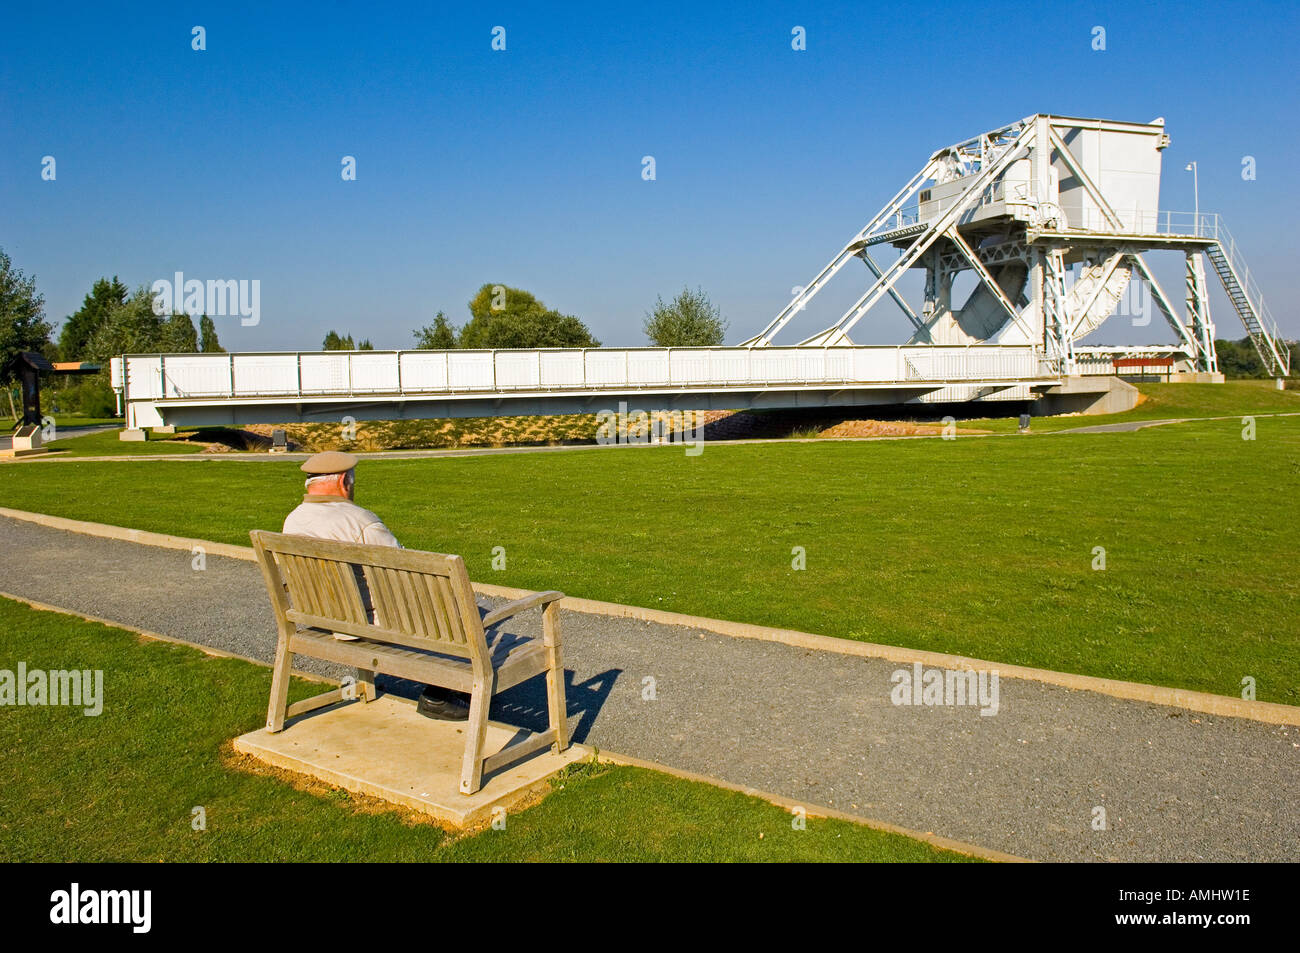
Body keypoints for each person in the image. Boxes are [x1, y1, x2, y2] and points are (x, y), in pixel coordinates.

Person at [282, 450, 470, 721]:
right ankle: (441, 695)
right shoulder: (359, 521)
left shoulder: (293, 520)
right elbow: (406, 569)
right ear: (344, 481)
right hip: (365, 624)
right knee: (463, 609)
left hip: (324, 618)